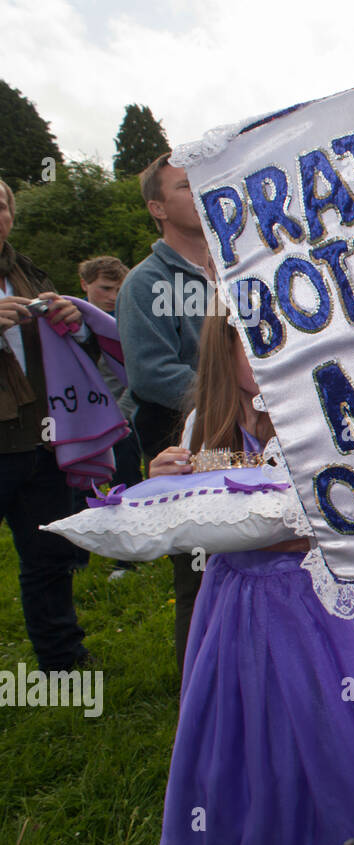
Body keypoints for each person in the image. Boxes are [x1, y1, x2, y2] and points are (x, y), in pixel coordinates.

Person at [153, 305, 354, 845]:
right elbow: (199, 515)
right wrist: (164, 483)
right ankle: (257, 821)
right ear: (224, 350)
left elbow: (342, 513)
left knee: (333, 703)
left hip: (314, 598)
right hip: (236, 601)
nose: (272, 356)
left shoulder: (313, 415)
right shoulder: (207, 426)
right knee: (249, 709)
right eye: (255, 344)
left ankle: (352, 811)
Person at [116, 153, 208, 672]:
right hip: (184, 442)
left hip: (256, 434)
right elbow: (151, 374)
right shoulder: (145, 284)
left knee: (266, 557)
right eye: (184, 187)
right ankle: (201, 702)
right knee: (199, 568)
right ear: (157, 207)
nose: (200, 193)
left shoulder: (235, 268)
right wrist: (229, 398)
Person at [0, 177, 93, 672]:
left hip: (39, 436)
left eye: (1, 206)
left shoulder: (25, 270)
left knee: (48, 555)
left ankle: (62, 659)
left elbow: (66, 340)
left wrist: (70, 318)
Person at [79, 255, 142, 579]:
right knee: (78, 487)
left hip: (120, 421)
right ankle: (77, 555)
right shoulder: (70, 323)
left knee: (125, 485)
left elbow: (138, 378)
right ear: (84, 285)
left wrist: (121, 417)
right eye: (104, 288)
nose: (112, 297)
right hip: (80, 422)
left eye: (118, 289)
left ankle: (127, 558)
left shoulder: (127, 323)